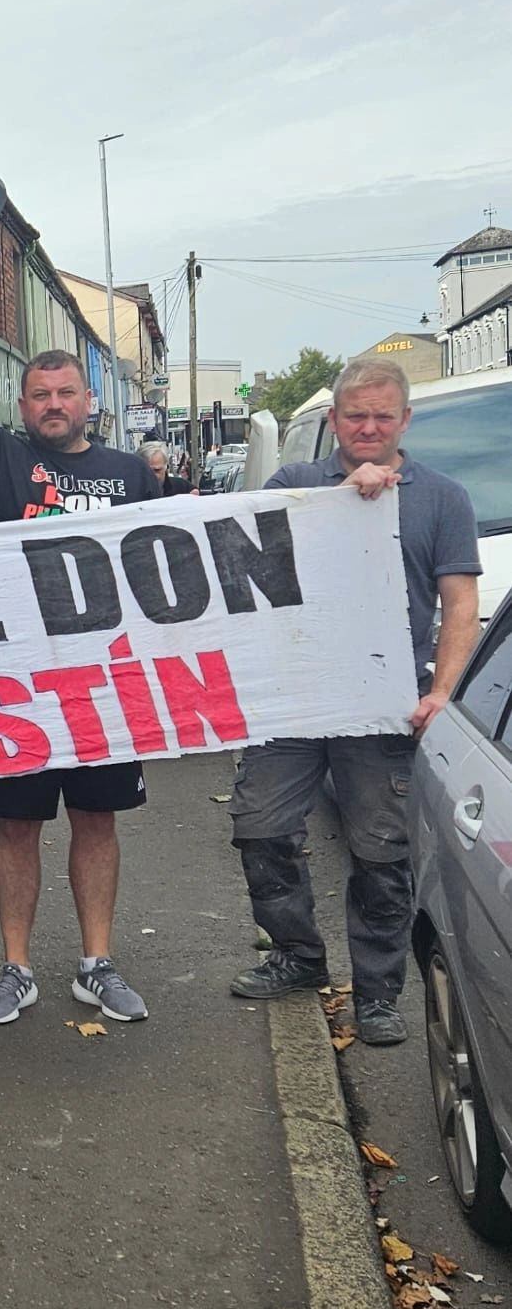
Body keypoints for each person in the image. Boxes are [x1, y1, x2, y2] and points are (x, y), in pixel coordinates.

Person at [0, 228, 160, 1027]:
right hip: (17, 685)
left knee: (97, 822)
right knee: (16, 824)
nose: (53, 405)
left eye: (65, 393)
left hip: (103, 684)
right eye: (39, 395)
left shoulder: (131, 476)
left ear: (89, 401)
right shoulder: (1, 462)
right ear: (23, 406)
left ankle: (97, 965)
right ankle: (16, 969)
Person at [227, 355, 480, 1046]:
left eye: (382, 416)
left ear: (405, 420)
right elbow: (253, 571)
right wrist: (339, 502)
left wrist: (442, 692)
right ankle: (298, 956)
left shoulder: (443, 499)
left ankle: (377, 994)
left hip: (384, 703)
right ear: (334, 420)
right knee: (260, 828)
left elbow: (460, 605)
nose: (368, 428)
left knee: (380, 852)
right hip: (296, 698)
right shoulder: (294, 485)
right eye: (356, 416)